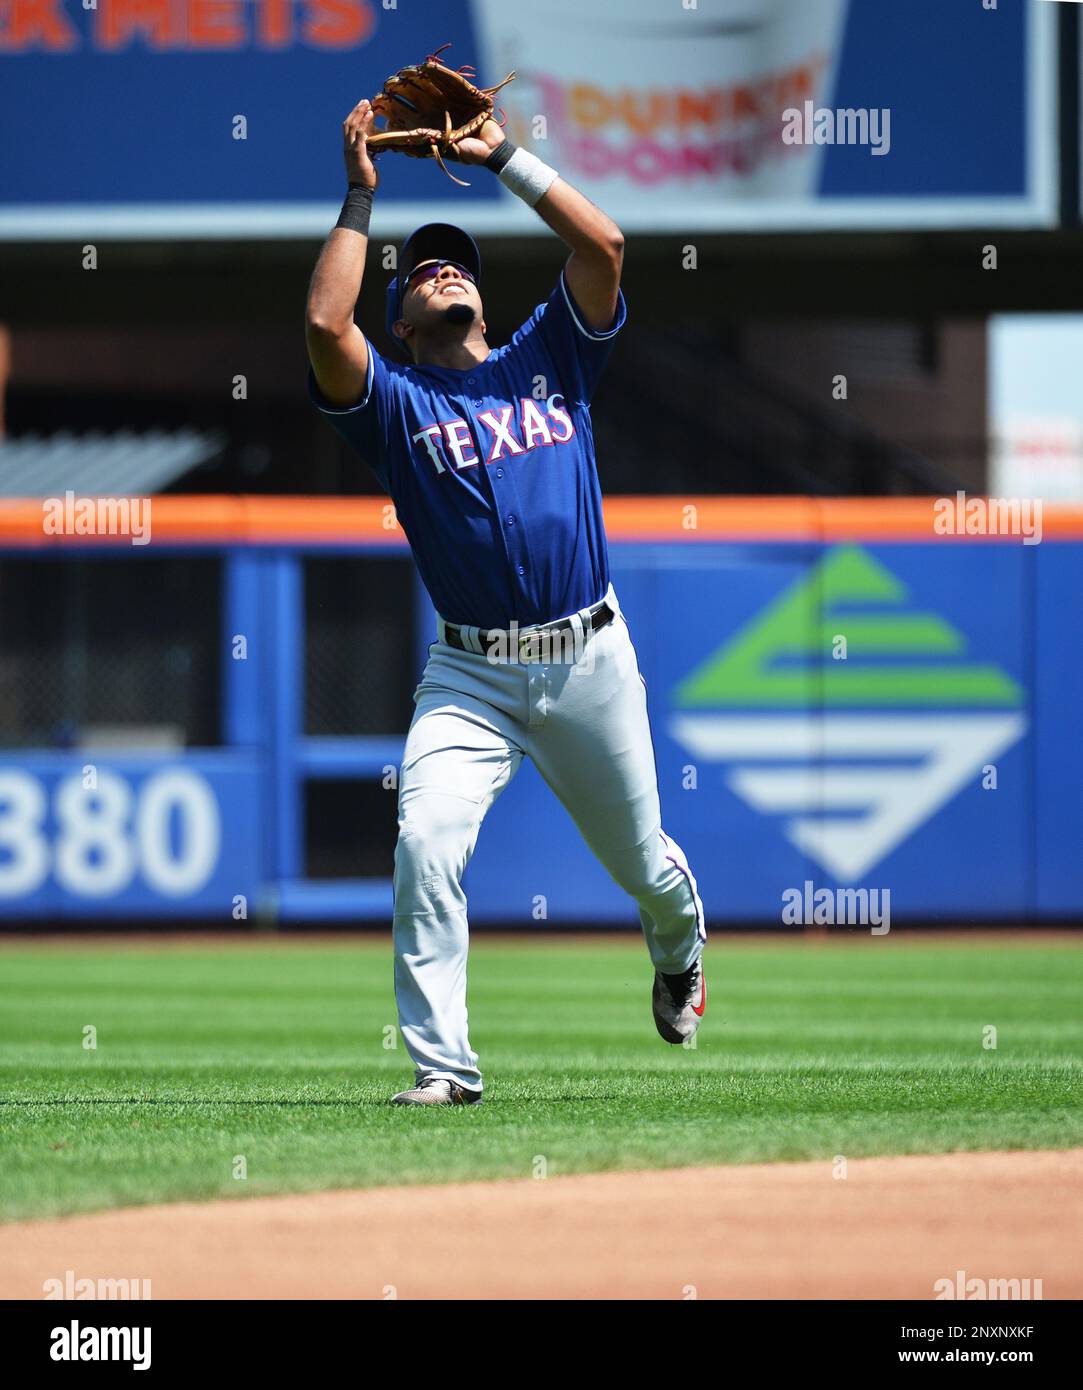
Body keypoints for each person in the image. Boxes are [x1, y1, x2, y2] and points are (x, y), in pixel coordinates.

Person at [305, 99, 706, 1105]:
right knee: (426, 840)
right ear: (400, 319)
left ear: (482, 300)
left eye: (456, 265)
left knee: (643, 867)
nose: (440, 270)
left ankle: (679, 942)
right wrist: (361, 191)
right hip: (470, 674)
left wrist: (505, 158)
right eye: (421, 269)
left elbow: (605, 243)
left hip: (588, 660)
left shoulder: (549, 358)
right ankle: (444, 1069)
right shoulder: (395, 408)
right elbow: (322, 323)